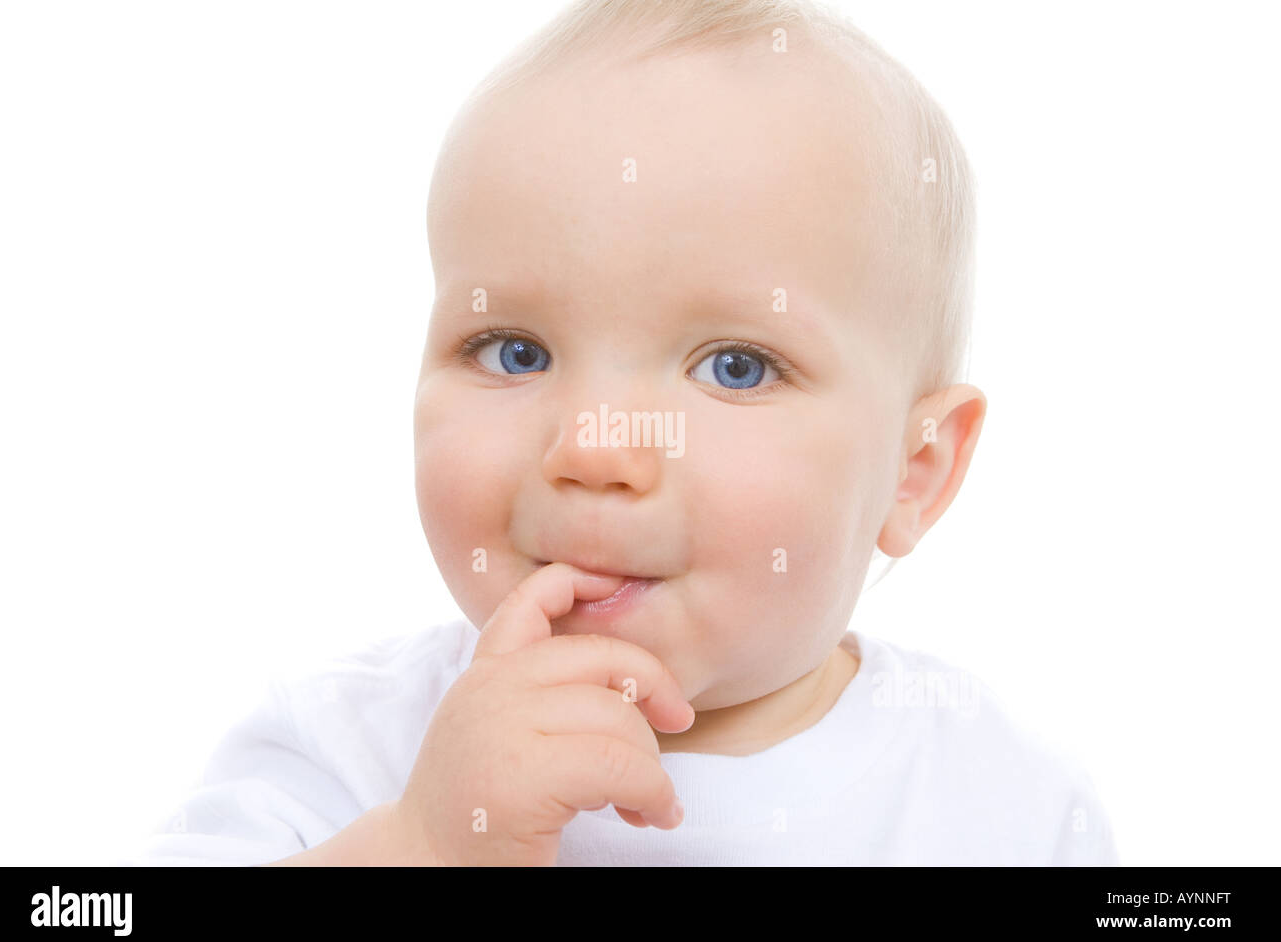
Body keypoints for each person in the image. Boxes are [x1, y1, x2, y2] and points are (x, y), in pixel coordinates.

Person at [117, 0, 1118, 866]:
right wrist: (417, 844)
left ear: (915, 471)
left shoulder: (995, 798)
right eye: (513, 350)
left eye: (735, 366)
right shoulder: (347, 747)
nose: (594, 446)